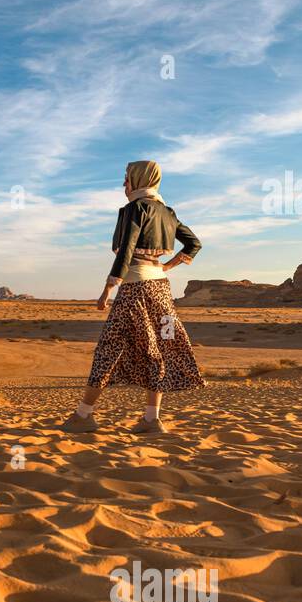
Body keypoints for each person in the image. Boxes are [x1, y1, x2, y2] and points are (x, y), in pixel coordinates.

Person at [62, 160, 205, 435]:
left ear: (139, 180)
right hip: (162, 290)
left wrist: (108, 288)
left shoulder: (135, 209)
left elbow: (127, 248)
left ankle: (83, 415)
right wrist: (167, 266)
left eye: (127, 179)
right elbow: (194, 243)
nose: (124, 184)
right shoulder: (168, 212)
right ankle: (152, 419)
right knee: (159, 348)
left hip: (134, 289)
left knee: (109, 348)